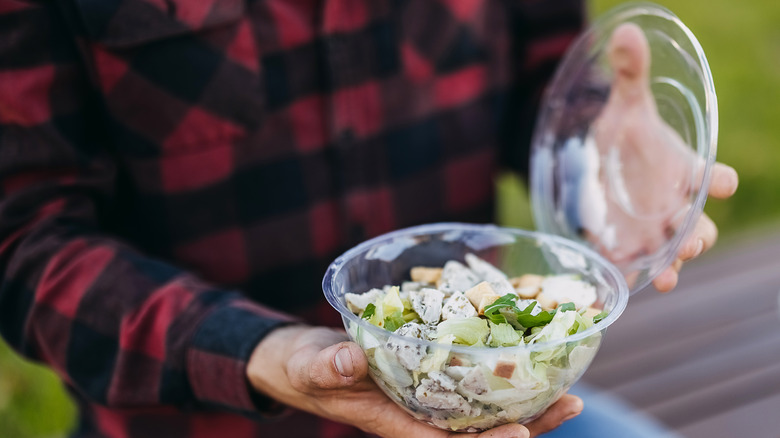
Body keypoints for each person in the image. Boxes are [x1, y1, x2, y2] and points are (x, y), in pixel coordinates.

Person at [0, 1, 737, 437]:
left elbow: (540, 71)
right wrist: (259, 349)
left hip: (482, 404)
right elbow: (26, 236)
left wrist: (595, 155)